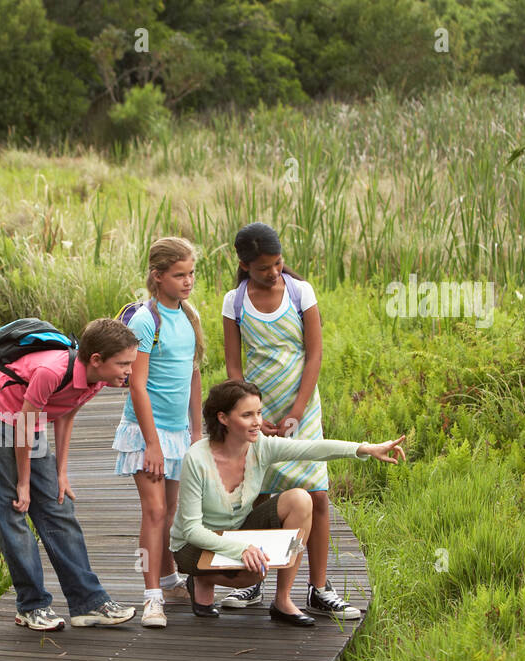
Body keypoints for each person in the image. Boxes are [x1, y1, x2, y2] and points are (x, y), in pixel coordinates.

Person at [170, 379, 405, 626]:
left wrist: (365, 449)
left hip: (236, 533)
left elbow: (312, 449)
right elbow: (191, 530)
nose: (257, 422)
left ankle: (282, 600)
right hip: (192, 547)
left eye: (259, 413)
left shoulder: (260, 446)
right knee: (252, 572)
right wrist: (241, 549)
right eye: (247, 415)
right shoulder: (197, 458)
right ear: (223, 418)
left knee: (300, 499)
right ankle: (202, 579)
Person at [220, 222, 357, 620]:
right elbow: (234, 365)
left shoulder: (300, 292)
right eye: (264, 268)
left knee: (314, 494)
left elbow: (313, 356)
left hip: (302, 407)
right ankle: (256, 582)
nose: (274, 272)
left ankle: (318, 587)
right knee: (260, 495)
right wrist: (249, 417)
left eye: (278, 264)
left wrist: (297, 412)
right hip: (256, 413)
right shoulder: (235, 301)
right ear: (244, 265)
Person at [0, 317, 139, 632]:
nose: (129, 371)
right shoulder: (51, 371)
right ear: (96, 360)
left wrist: (61, 473)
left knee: (59, 507)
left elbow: (65, 414)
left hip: (26, 421)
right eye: (123, 363)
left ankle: (88, 603)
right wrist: (24, 483)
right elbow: (23, 426)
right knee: (14, 511)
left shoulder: (99, 379)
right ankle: (31, 606)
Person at [111, 237, 206, 629]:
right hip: (145, 432)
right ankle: (152, 598)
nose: (187, 282)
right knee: (153, 513)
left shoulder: (189, 316)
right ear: (158, 276)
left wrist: (197, 433)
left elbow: (194, 374)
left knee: (169, 515)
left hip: (178, 433)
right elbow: (137, 383)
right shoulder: (146, 320)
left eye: (191, 274)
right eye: (179, 275)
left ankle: (169, 581)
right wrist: (151, 442)